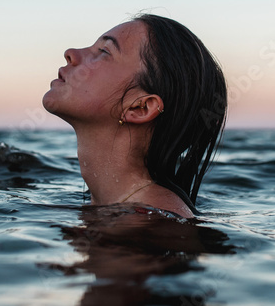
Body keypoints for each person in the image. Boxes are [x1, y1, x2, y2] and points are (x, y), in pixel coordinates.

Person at [41, 12, 227, 219]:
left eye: (104, 51)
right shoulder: (123, 211)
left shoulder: (151, 225)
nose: (71, 53)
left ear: (140, 108)